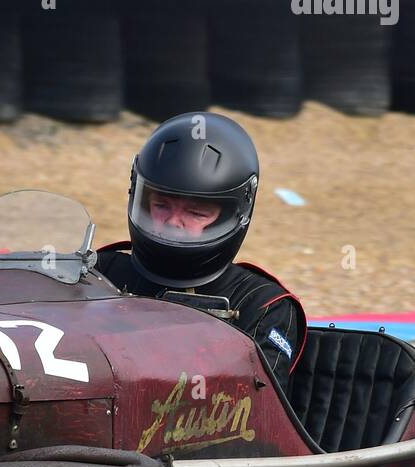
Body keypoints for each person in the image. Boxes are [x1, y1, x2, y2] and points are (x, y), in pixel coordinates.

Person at [95, 112, 306, 384]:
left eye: (195, 213)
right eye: (161, 206)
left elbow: (253, 416)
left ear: (235, 214)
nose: (173, 223)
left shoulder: (262, 306)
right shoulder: (103, 270)